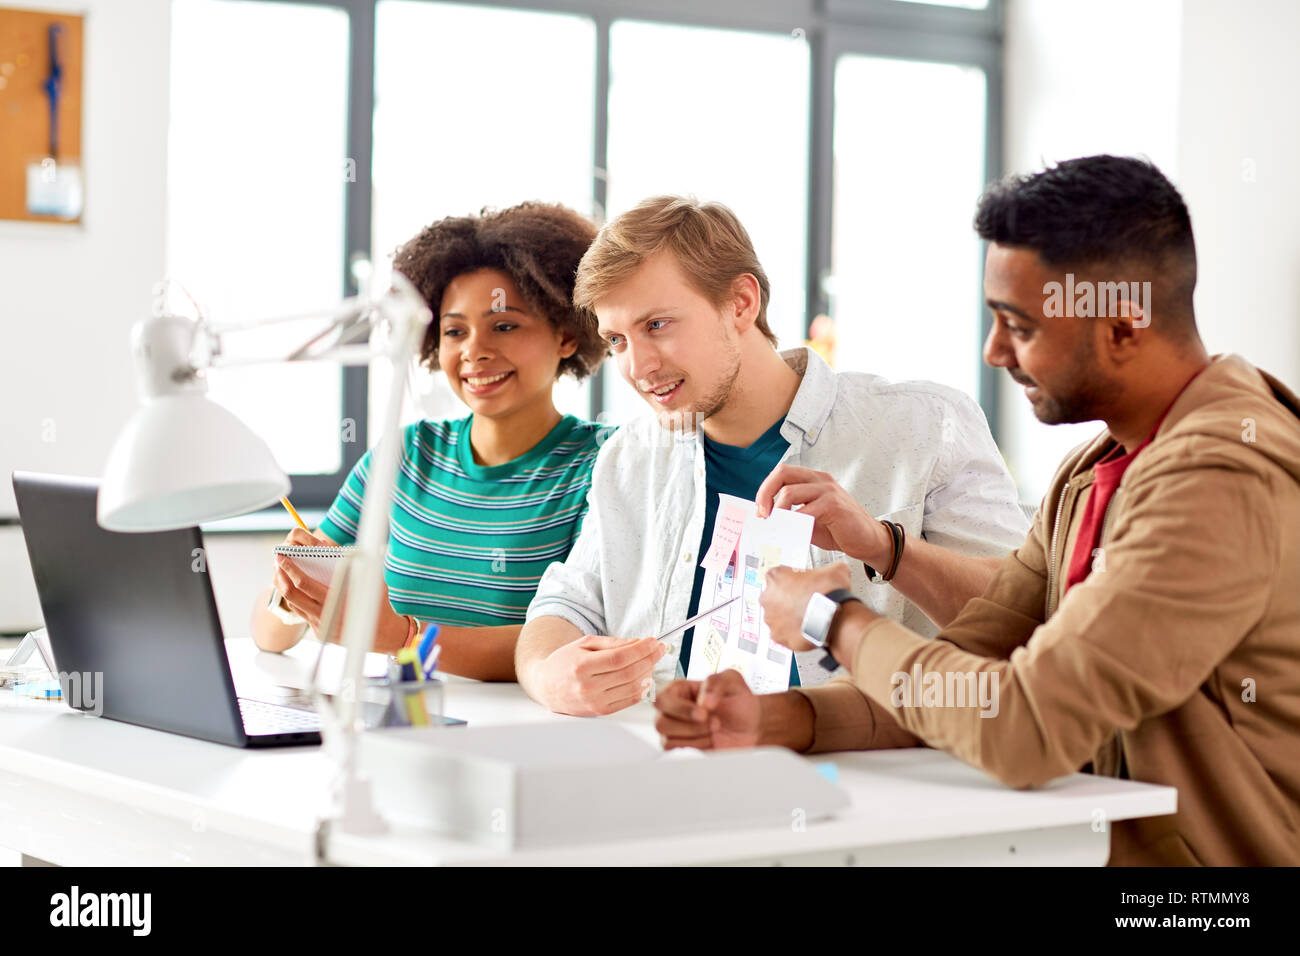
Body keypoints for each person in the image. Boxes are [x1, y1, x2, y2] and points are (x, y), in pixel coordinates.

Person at [655, 156, 1300, 866]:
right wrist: (780, 720)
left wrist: (831, 619)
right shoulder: (1094, 471)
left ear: (1122, 326)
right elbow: (966, 669)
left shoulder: (1218, 478)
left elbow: (1024, 723)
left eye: (1017, 325)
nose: (994, 352)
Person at [516, 195, 1029, 716]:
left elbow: (1023, 617)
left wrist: (882, 546)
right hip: (669, 760)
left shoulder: (922, 425)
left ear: (741, 302)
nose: (638, 366)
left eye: (657, 325)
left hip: (860, 770)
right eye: (617, 340)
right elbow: (566, 604)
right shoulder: (631, 456)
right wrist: (546, 674)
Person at [250, 202, 611, 680]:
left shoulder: (604, 465)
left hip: (523, 732)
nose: (474, 351)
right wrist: (292, 589)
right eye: (454, 330)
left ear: (566, 336)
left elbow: (573, 642)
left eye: (504, 325)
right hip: (402, 717)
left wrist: (403, 638)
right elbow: (268, 636)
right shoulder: (404, 455)